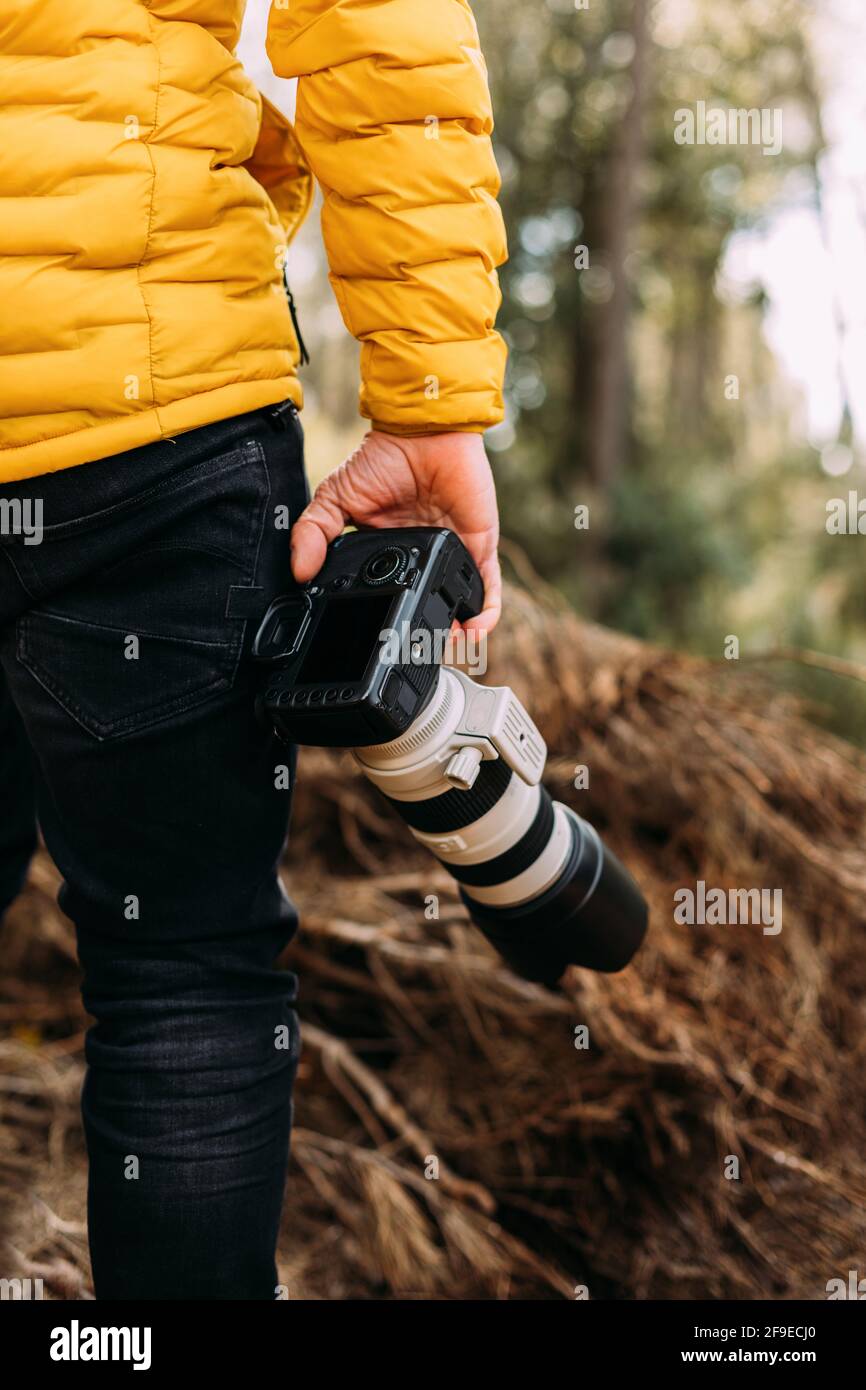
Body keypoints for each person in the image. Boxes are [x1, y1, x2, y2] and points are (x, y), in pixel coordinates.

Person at [0, 1, 507, 1298]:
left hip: (148, 389)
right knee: (181, 976)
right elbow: (374, 22)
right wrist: (431, 393)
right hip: (147, 393)